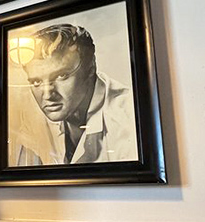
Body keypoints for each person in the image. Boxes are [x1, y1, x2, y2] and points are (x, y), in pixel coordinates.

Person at [12, 23, 137, 165]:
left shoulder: (130, 119)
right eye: (36, 82)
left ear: (91, 67)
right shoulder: (29, 123)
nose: (47, 95)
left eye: (62, 75)